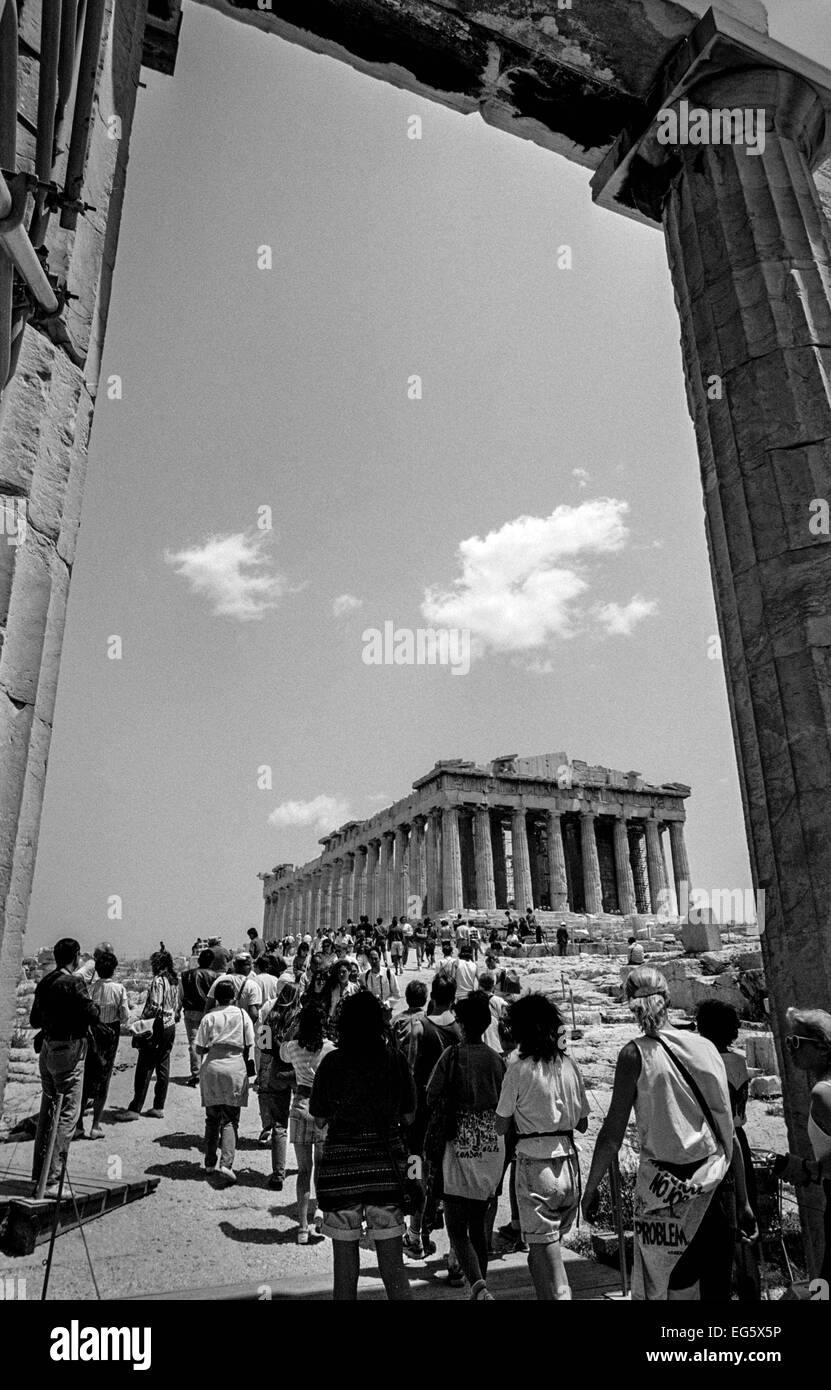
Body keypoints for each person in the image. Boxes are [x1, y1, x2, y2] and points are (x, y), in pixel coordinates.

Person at [581, 966, 755, 1301]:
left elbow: (612, 1136)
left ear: (630, 1006)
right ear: (669, 999)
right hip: (712, 1189)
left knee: (672, 1291)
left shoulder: (633, 1055)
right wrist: (743, 1200)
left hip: (663, 1197)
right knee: (717, 1290)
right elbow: (727, 1129)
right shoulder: (706, 1047)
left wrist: (590, 1188)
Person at [310, 991, 415, 1299]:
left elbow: (319, 1119)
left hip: (341, 1171)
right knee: (393, 1268)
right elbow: (409, 1116)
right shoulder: (394, 1060)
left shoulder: (332, 1062)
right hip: (385, 1170)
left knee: (344, 1272)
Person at [495, 993, 589, 1299]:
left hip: (536, 1165)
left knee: (551, 1260)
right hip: (569, 1163)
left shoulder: (518, 1069)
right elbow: (583, 1123)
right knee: (540, 1255)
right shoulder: (569, 1065)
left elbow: (501, 1125)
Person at [426, 992, 506, 1300]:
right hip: (490, 1146)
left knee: (457, 1229)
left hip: (458, 1147)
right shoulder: (497, 1060)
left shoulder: (451, 1055)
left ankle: (478, 1287)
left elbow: (431, 1094)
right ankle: (480, 1287)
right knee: (478, 1226)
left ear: (461, 1024)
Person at [695, 999, 759, 1300]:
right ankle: (750, 1289)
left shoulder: (706, 1062)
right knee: (745, 1231)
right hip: (739, 1137)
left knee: (718, 1227)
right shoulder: (738, 1060)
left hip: (718, 1141)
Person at [30, 938, 100, 1196]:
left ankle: (40, 1174)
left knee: (48, 1111)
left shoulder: (46, 981)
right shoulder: (74, 983)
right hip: (69, 1050)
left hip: (48, 1049)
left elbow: (34, 1020)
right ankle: (52, 1179)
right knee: (68, 1112)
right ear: (76, 956)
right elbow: (93, 1014)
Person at [411, 975, 463, 1268]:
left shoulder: (421, 1026)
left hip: (422, 1109)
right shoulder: (459, 1029)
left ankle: (415, 1231)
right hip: (451, 1112)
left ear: (433, 995)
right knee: (449, 1174)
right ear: (453, 998)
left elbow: (411, 1068)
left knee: (416, 1165)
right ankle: (455, 1256)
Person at [777, 1007, 831, 1283]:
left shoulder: (822, 1092)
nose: (789, 1048)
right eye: (788, 1041)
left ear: (822, 1047)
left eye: (796, 1042)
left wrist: (809, 1169)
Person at [280, 1004, 335, 1243]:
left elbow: (280, 1051)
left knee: (303, 1171)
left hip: (300, 1106)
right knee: (322, 1166)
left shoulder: (293, 1048)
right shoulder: (330, 1049)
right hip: (323, 1109)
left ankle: (302, 1227)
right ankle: (320, 1210)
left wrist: (294, 1028)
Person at [194, 978, 255, 1184]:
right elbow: (250, 1042)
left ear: (216, 997)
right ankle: (226, 1164)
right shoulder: (242, 1015)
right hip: (234, 1067)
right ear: (234, 997)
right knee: (230, 1119)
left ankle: (209, 1162)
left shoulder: (209, 1017)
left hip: (212, 1067)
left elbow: (199, 1048)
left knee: (212, 1118)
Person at [76, 951, 130, 1140]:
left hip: (91, 1033)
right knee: (104, 1077)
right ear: (114, 969)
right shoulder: (119, 989)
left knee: (87, 1076)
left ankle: (79, 1124)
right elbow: (124, 1016)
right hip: (110, 1034)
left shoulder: (89, 989)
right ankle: (95, 1125)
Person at [123, 950, 180, 1120]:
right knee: (163, 1065)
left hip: (158, 1026)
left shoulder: (158, 981)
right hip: (170, 1025)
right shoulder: (174, 980)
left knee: (145, 1066)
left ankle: (135, 1109)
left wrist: (140, 1020)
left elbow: (154, 1006)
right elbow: (176, 1005)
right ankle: (158, 1106)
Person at [257, 974, 301, 1187]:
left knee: (279, 1124)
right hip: (299, 1071)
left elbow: (263, 1046)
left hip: (277, 1071)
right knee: (302, 1119)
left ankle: (278, 1174)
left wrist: (264, 1071)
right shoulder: (301, 1018)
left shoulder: (271, 1017)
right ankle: (304, 1165)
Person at [179, 948, 218, 1086]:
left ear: (199, 960)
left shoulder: (186, 975)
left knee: (194, 1042)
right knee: (212, 1042)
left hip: (191, 1012)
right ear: (212, 962)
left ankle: (196, 1074)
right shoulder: (215, 976)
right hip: (210, 1013)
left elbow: (181, 995)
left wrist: (178, 1010)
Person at [206, 952, 262, 1023]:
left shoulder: (221, 980)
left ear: (234, 965)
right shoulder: (252, 985)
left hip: (221, 1025)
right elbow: (253, 1014)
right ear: (251, 967)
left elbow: (209, 1006)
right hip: (241, 1026)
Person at [478, 970, 508, 1055]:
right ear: (493, 986)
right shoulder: (500, 1001)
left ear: (479, 985)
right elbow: (504, 1016)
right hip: (495, 1041)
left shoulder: (474, 1000)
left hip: (480, 1041)